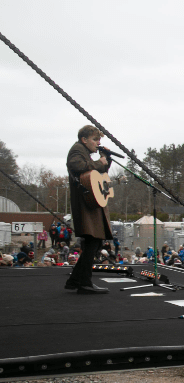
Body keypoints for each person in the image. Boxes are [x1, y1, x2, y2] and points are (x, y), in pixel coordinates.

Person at [65, 125, 113, 294]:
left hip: (90, 202)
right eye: (95, 139)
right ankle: (84, 283)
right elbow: (77, 166)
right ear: (84, 140)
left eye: (99, 140)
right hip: (86, 204)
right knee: (93, 241)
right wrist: (99, 163)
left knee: (95, 242)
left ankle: (75, 280)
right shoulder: (77, 150)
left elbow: (98, 174)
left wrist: (106, 160)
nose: (98, 143)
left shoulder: (84, 152)